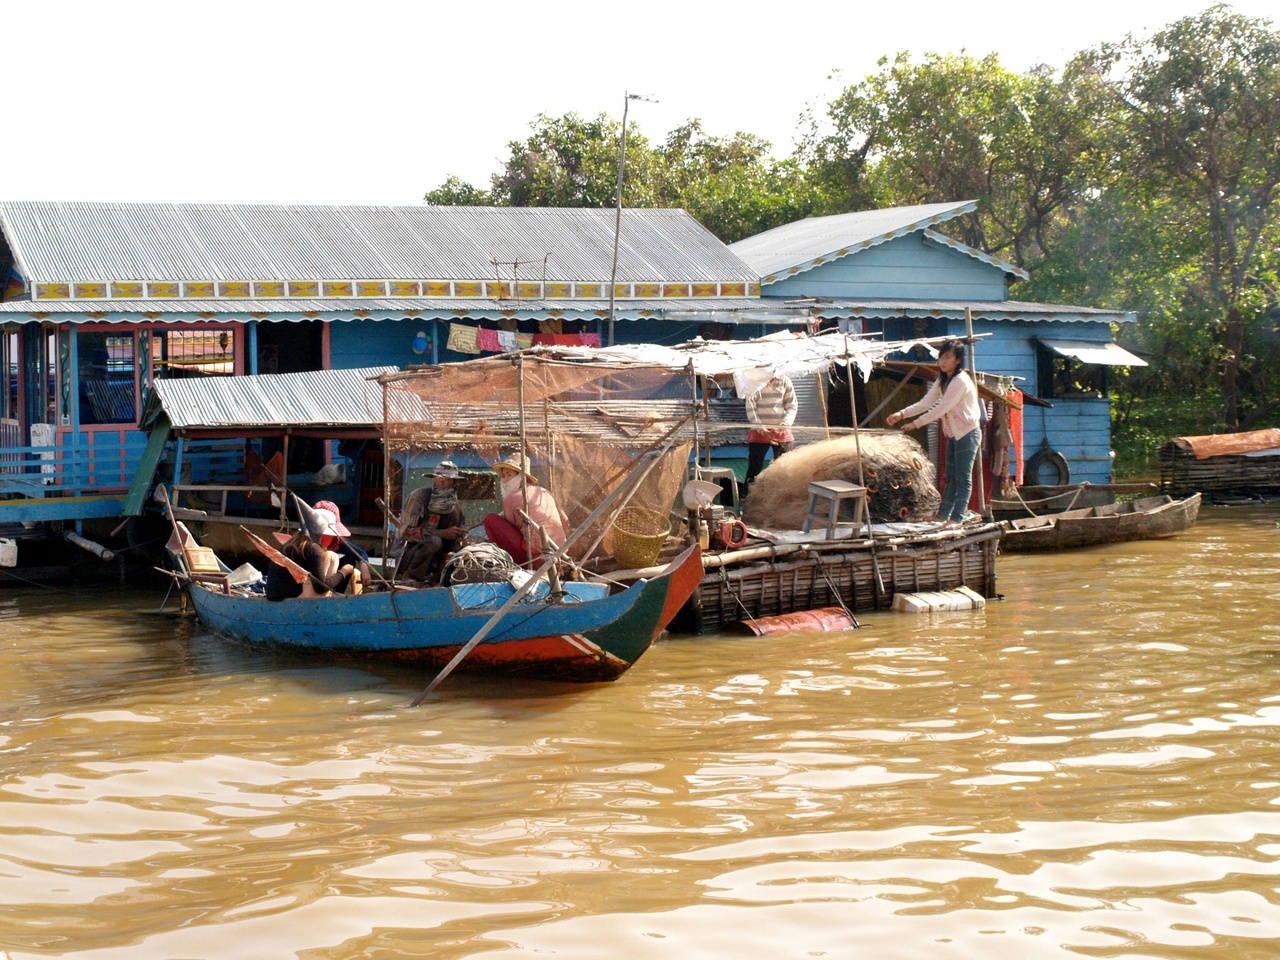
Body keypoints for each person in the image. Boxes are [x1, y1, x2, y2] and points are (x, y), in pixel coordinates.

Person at [887, 340, 982, 528]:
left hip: (968, 433)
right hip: (954, 434)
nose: (943, 361)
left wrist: (916, 424)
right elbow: (925, 403)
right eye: (941, 357)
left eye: (948, 357)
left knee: (962, 478)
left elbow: (940, 408)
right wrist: (902, 414)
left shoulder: (960, 381)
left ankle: (957, 518)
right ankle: (943, 515)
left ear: (958, 360)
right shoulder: (943, 380)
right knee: (950, 476)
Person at [482, 452, 569, 566]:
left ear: (520, 476)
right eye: (503, 476)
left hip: (535, 557)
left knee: (490, 519)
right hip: (559, 554)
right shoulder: (544, 492)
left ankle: (509, 564)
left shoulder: (511, 499)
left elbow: (512, 530)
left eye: (509, 475)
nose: (505, 480)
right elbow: (566, 522)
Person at [395, 461, 467, 584]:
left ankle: (439, 574)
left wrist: (460, 534)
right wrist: (441, 533)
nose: (442, 482)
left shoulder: (455, 507)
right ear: (433, 479)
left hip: (436, 560)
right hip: (408, 556)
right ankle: (409, 576)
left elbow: (457, 536)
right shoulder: (419, 497)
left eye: (447, 479)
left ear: (454, 482)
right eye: (439, 478)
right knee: (434, 541)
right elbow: (405, 533)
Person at [264, 528, 355, 601]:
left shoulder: (292, 543)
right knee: (332, 556)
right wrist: (343, 572)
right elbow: (320, 587)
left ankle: (327, 596)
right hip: (292, 601)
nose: (333, 539)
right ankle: (324, 600)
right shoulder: (313, 548)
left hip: (276, 597)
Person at [744, 373, 798, 488]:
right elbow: (750, 408)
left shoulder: (784, 380)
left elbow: (792, 406)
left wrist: (785, 424)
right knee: (755, 468)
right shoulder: (753, 380)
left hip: (781, 430)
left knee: (785, 468)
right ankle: (747, 499)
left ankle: (782, 497)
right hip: (759, 431)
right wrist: (762, 430)